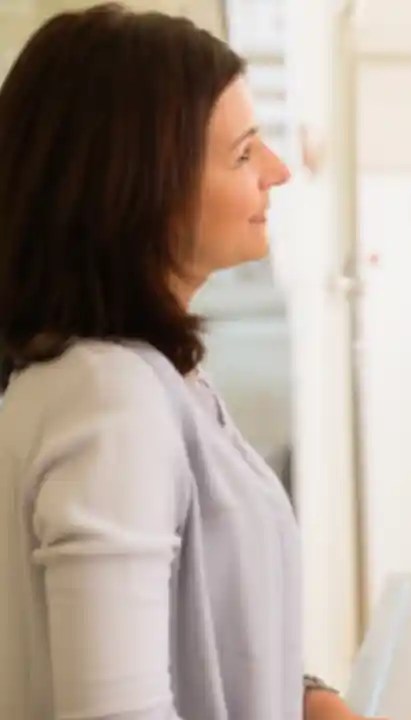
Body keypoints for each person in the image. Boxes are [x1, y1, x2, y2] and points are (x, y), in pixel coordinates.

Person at [0, 5, 379, 720]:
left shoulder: (148, 379)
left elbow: (193, 631)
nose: (278, 170)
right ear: (140, 191)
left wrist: (307, 702)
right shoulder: (107, 403)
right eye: (242, 154)